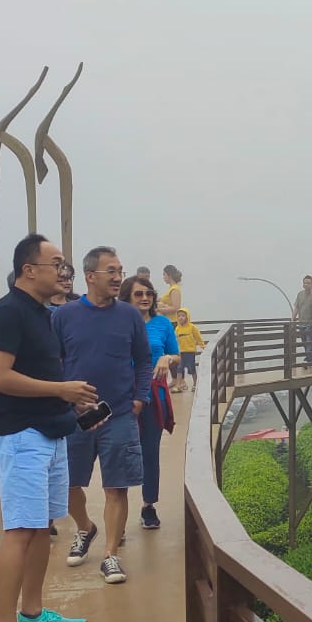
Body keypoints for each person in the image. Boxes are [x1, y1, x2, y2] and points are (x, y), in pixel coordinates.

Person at [0, 233, 92, 622]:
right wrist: (59, 389)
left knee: (42, 525)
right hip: (20, 434)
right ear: (30, 270)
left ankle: (32, 615)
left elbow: (37, 374)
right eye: (56, 264)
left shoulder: (42, 314)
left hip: (49, 430)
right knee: (20, 530)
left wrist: (69, 399)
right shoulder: (8, 313)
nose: (63, 272)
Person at [52, 246, 151, 585]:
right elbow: (53, 363)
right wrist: (66, 398)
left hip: (120, 413)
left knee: (117, 486)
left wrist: (140, 399)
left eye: (120, 269)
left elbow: (143, 360)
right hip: (75, 416)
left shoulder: (129, 316)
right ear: (90, 276)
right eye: (111, 270)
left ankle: (111, 555)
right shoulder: (63, 316)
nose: (118, 276)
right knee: (68, 482)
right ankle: (85, 528)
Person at [120, 275, 180, 531]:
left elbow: (177, 354)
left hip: (153, 394)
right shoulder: (116, 323)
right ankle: (117, 516)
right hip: (122, 393)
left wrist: (167, 358)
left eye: (149, 294)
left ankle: (148, 505)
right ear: (127, 297)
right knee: (119, 451)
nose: (145, 298)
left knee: (150, 451)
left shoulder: (162, 323)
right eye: (138, 294)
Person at [172, 307, 205, 393]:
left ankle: (195, 384)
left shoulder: (192, 327)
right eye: (179, 316)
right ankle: (178, 385)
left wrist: (203, 346)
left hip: (190, 352)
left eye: (183, 316)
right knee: (179, 368)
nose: (181, 318)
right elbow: (175, 340)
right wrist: (175, 350)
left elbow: (198, 337)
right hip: (181, 352)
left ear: (187, 317)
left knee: (192, 369)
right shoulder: (177, 329)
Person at [292, 275, 312, 367]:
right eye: (304, 283)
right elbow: (296, 307)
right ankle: (310, 360)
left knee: (309, 342)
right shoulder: (300, 294)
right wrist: (293, 319)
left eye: (308, 283)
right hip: (301, 322)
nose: (306, 285)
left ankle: (308, 360)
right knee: (304, 343)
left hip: (310, 323)